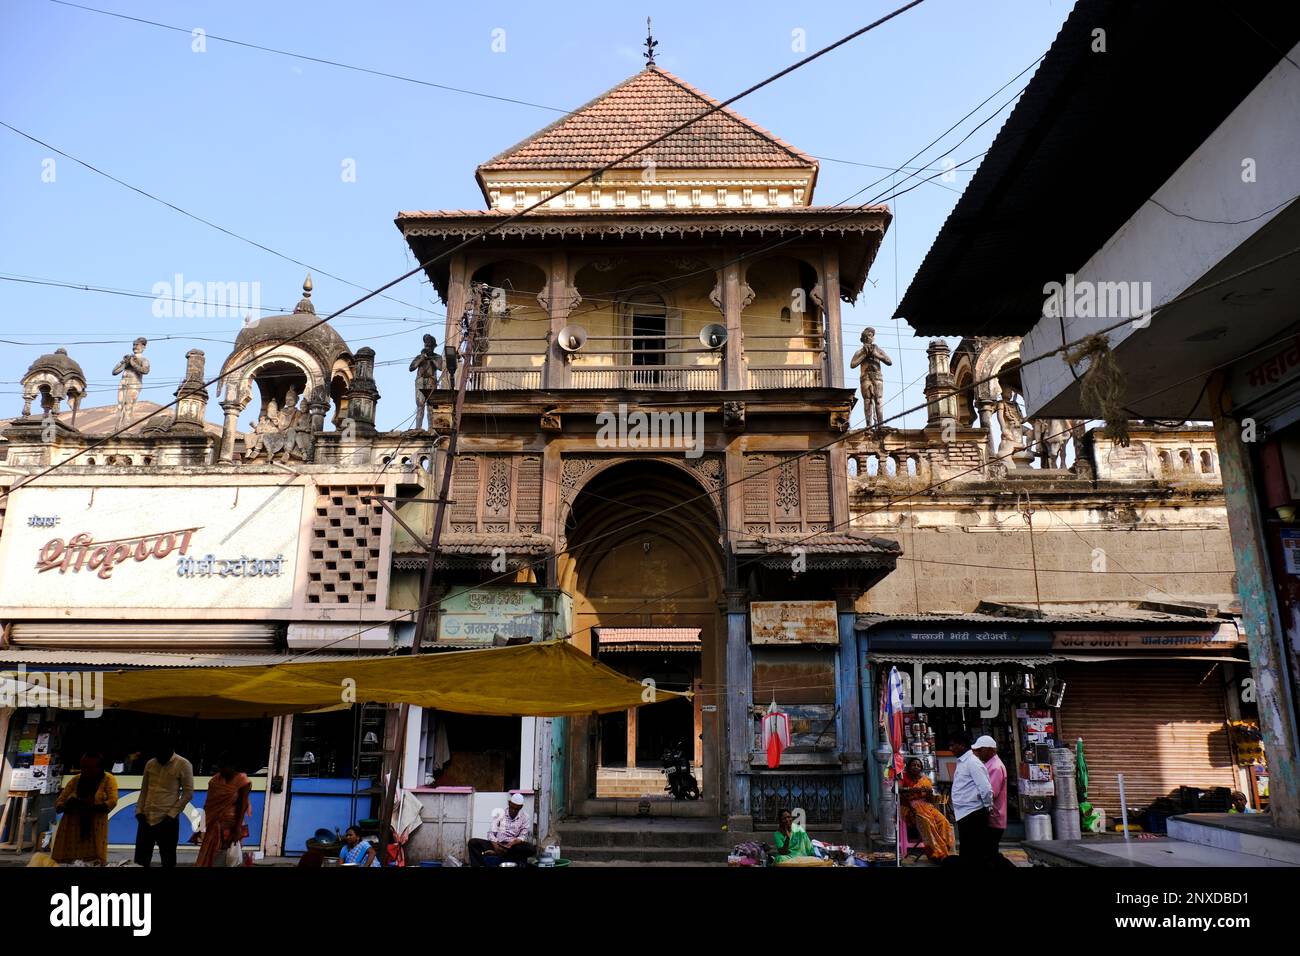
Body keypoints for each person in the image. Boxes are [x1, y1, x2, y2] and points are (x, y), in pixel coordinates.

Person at [134, 740, 194, 868]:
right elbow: (144, 790)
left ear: (170, 749)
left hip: (167, 820)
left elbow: (188, 793)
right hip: (146, 818)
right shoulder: (150, 763)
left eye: (160, 752)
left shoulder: (183, 764)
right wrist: (139, 811)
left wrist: (171, 814)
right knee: (140, 860)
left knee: (168, 860)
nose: (157, 756)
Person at [52, 753, 118, 865]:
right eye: (83, 767)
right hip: (70, 829)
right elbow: (59, 802)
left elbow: (112, 801)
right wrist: (69, 805)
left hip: (95, 828)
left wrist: (91, 806)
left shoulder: (108, 779)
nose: (85, 770)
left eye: (89, 767)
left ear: (99, 767)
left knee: (93, 861)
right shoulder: (76, 780)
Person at [195, 753, 251, 867]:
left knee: (228, 857)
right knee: (212, 857)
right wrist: (201, 827)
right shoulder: (215, 781)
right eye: (219, 767)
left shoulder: (242, 781)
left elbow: (242, 806)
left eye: (223, 767)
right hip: (214, 825)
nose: (221, 770)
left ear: (232, 766)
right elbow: (209, 805)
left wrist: (236, 828)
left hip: (232, 824)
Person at [949, 731, 993, 866]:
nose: (950, 749)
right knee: (968, 850)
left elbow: (985, 788)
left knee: (974, 851)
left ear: (962, 745)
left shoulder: (972, 762)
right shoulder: (963, 762)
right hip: (965, 813)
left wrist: (988, 806)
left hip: (973, 812)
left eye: (953, 745)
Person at [899, 757, 955, 862]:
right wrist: (912, 789)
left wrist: (929, 792)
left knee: (943, 821)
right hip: (910, 808)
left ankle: (946, 851)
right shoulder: (904, 777)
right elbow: (897, 789)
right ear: (909, 767)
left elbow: (930, 800)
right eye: (913, 765)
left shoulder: (925, 780)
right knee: (927, 822)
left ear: (921, 769)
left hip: (927, 806)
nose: (916, 767)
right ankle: (936, 853)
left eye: (918, 766)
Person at [974, 735, 1012, 866]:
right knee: (990, 853)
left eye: (980, 750)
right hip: (993, 815)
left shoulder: (995, 767)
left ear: (990, 750)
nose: (978, 753)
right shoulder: (990, 764)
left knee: (990, 854)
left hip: (994, 816)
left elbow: (991, 793)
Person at [467, 792, 534, 866]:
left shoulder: (525, 817)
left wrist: (511, 844)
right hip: (497, 844)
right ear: (509, 803)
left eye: (516, 809)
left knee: (530, 848)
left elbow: (523, 836)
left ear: (521, 807)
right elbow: (491, 833)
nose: (514, 811)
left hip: (512, 847)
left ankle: (500, 854)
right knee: (472, 843)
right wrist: (496, 846)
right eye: (512, 808)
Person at [849, 327, 893, 428]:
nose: (870, 338)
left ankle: (880, 424)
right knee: (867, 401)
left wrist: (876, 355)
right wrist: (864, 355)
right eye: (868, 336)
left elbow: (889, 361)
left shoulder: (877, 349)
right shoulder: (860, 352)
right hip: (865, 377)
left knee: (879, 400)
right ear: (863, 338)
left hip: (877, 377)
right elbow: (852, 364)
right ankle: (869, 425)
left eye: (871, 336)